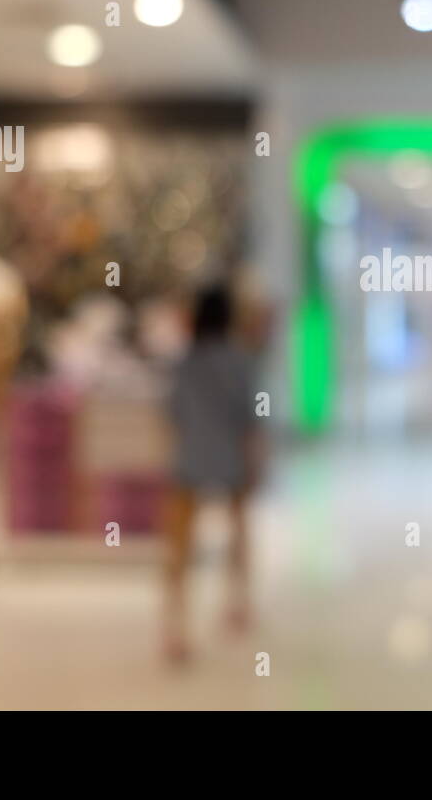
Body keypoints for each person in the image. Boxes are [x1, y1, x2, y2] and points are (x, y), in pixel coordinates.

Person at [161, 282, 263, 664]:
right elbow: (251, 419)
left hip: (190, 458)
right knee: (238, 529)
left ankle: (176, 628)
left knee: (180, 546)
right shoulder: (241, 362)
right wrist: (254, 462)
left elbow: (172, 414)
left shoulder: (184, 364)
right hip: (231, 457)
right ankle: (239, 604)